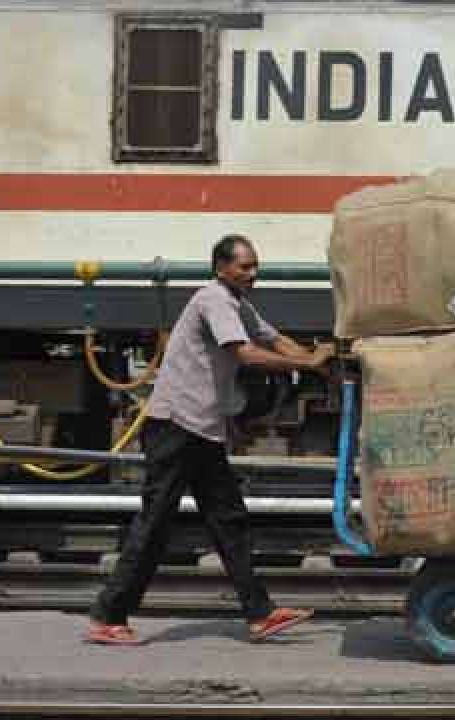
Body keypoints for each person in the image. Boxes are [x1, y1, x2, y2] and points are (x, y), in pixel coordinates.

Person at [86, 234, 335, 645]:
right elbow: (246, 354)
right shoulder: (213, 299)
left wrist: (313, 361)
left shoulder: (238, 303)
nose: (254, 274)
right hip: (175, 427)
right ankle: (108, 617)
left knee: (229, 520)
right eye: (245, 267)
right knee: (155, 524)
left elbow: (272, 339)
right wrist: (306, 361)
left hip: (201, 430)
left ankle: (260, 614)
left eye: (256, 266)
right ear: (221, 267)